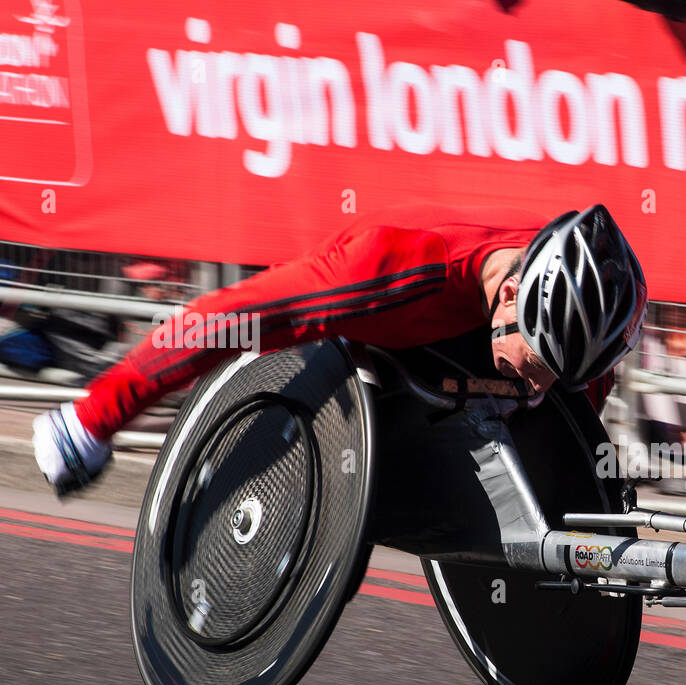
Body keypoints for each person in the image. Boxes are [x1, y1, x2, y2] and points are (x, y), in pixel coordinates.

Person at [32, 203, 648, 496]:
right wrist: (95, 419)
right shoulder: (393, 269)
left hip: (456, 346)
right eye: (533, 366)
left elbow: (575, 402)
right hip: (373, 333)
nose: (534, 386)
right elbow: (216, 321)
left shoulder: (563, 307)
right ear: (511, 296)